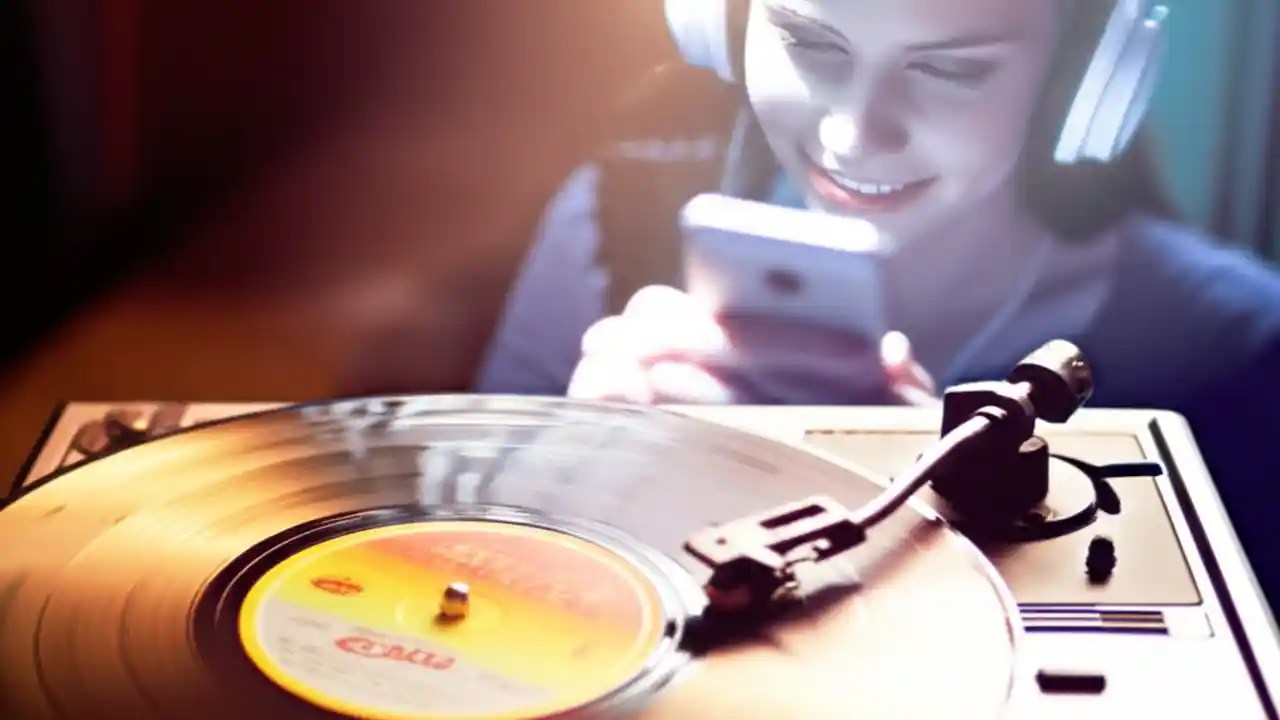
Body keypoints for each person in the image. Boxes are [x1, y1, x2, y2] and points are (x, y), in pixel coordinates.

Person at [475, 0, 1280, 601]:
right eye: (808, 40)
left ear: (1086, 83)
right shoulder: (611, 229)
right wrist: (577, 478)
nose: (853, 135)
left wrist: (930, 509)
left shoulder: (1233, 348)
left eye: (951, 68)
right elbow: (466, 572)